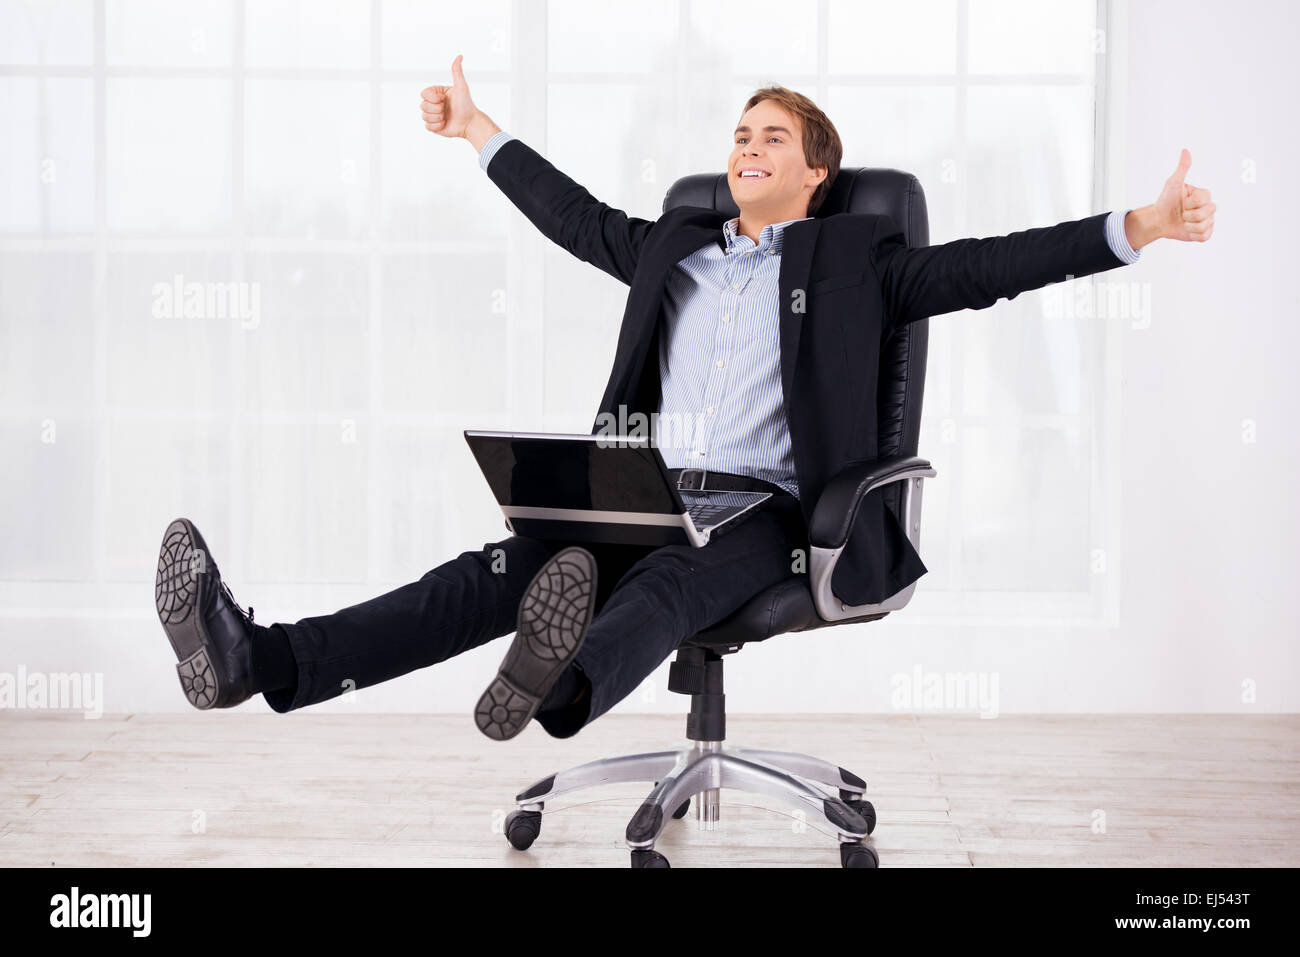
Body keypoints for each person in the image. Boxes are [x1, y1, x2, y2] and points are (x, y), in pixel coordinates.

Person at [154, 54, 1215, 741]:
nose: (744, 149)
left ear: (815, 176)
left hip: (762, 512)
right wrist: (479, 130)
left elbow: (993, 265)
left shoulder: (862, 264)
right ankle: (263, 660)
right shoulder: (675, 249)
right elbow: (570, 216)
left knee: (667, 586)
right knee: (482, 575)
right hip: (639, 487)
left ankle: (556, 685)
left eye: (771, 140)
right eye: (739, 134)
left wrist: (1140, 225)